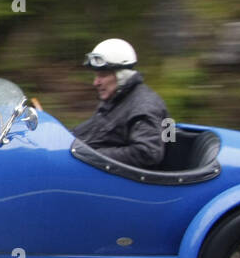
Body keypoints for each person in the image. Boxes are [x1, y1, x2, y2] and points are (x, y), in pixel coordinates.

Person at [71, 38, 169, 168]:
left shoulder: (144, 107)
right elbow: (90, 134)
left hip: (125, 182)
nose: (96, 82)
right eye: (96, 75)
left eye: (103, 75)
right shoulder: (115, 100)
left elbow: (148, 153)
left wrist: (91, 155)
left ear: (122, 75)